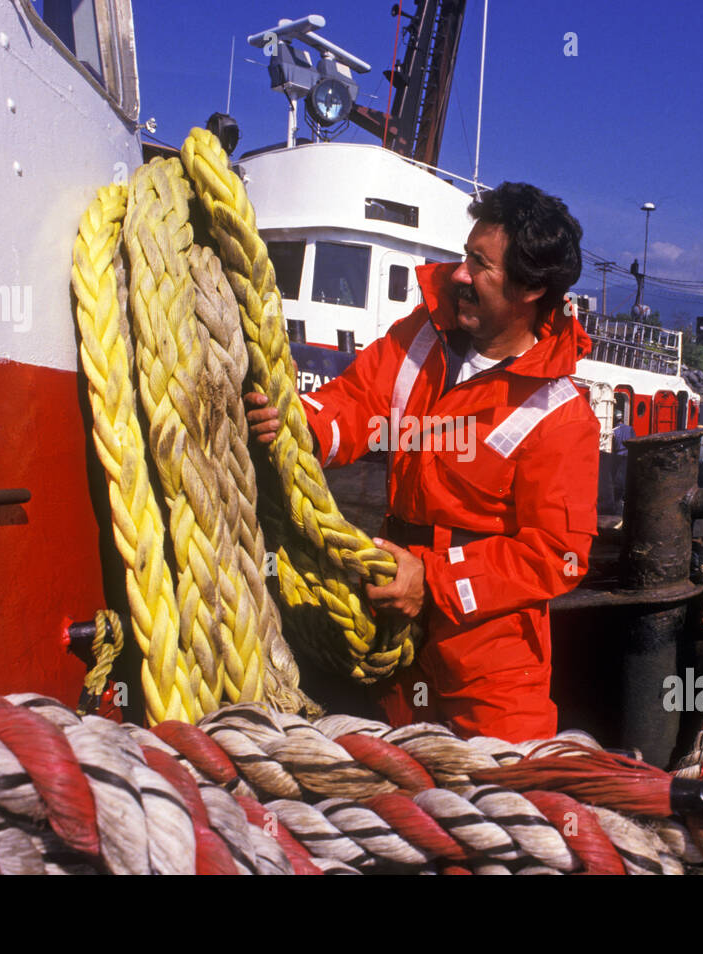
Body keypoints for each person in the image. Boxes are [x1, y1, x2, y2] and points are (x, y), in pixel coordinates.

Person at [245, 182, 599, 741]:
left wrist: (432, 582)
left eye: (479, 265)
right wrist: (302, 427)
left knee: (498, 803)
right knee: (393, 788)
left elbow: (556, 556)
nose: (459, 274)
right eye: (465, 255)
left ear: (530, 288)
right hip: (392, 626)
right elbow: (359, 403)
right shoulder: (424, 335)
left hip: (491, 661)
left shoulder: (562, 416)